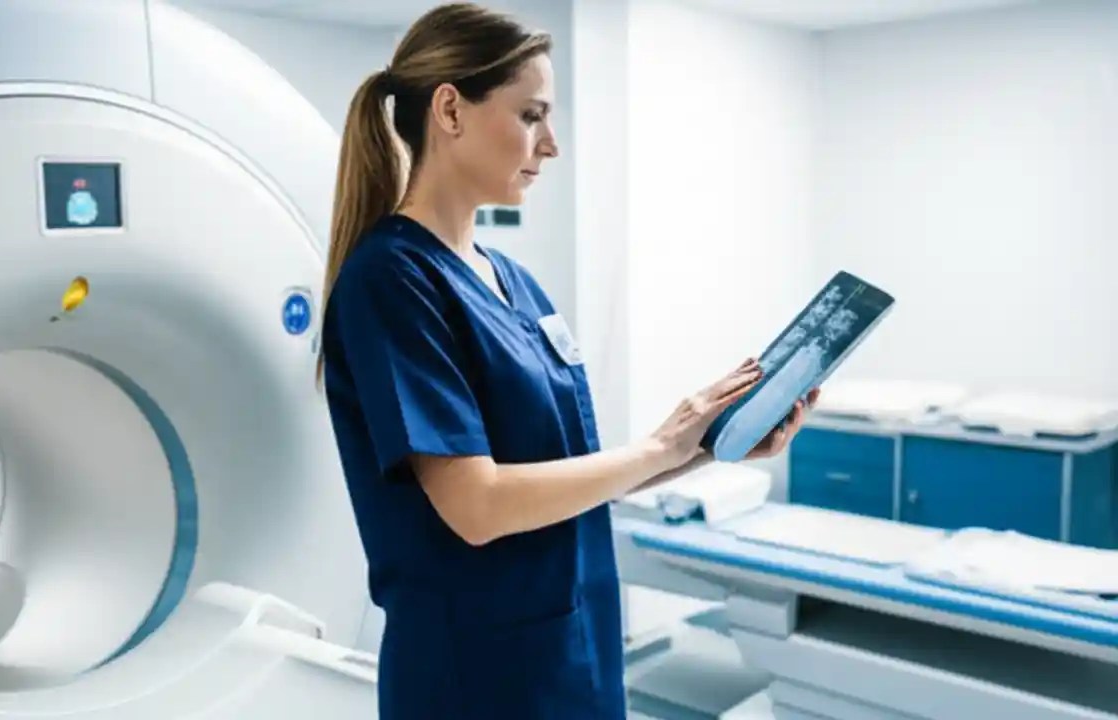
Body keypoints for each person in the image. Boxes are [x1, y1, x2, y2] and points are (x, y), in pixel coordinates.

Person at [317, 3, 816, 718]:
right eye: (531, 116)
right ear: (450, 111)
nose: (550, 145)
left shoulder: (513, 281)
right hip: (476, 676)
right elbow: (476, 506)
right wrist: (659, 446)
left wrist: (709, 443)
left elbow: (568, 475)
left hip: (574, 649)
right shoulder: (392, 280)